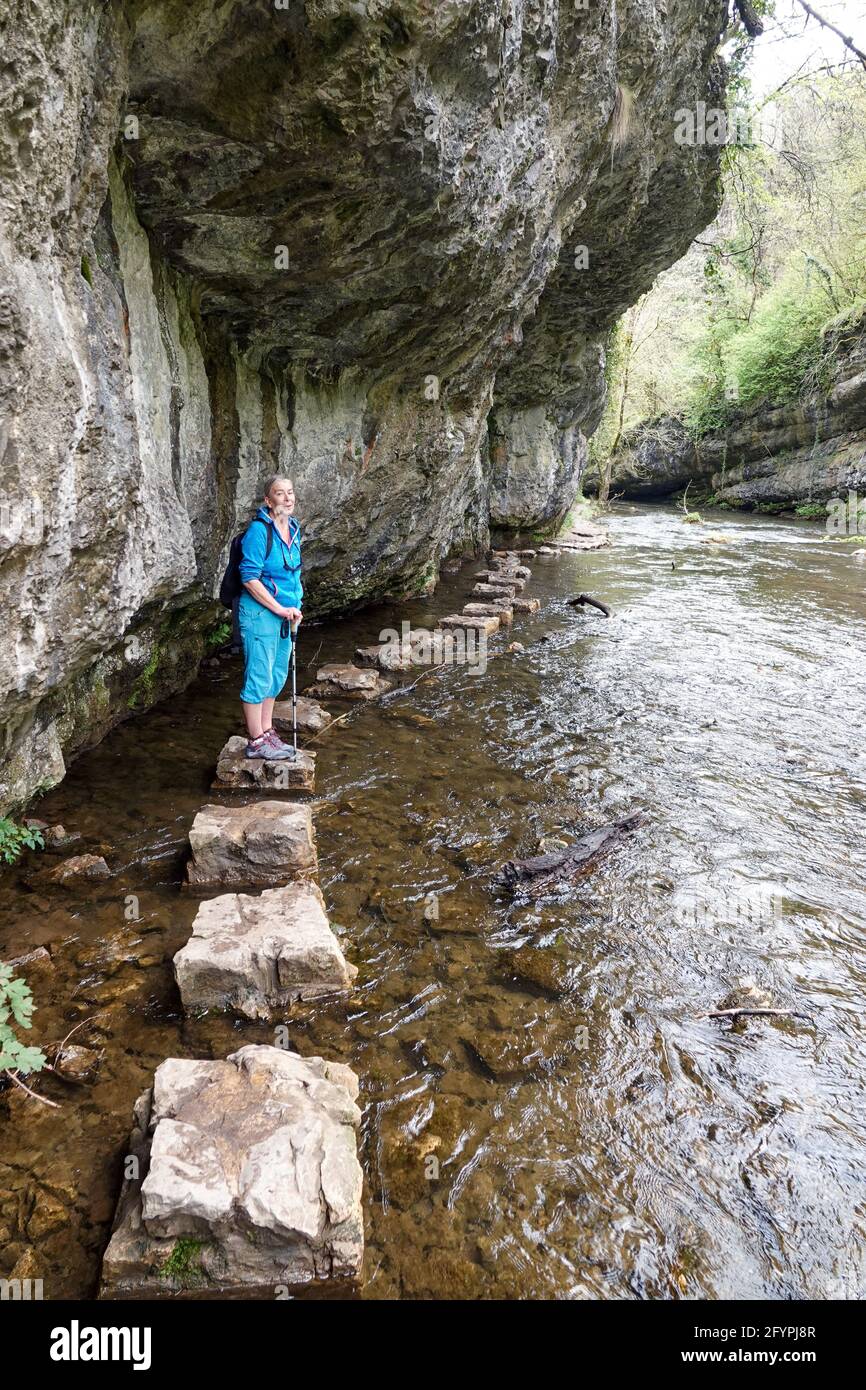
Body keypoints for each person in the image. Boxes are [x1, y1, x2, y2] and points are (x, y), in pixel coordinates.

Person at [238, 475, 303, 759]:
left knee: (276, 675)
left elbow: (293, 575)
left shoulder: (293, 528)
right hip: (259, 613)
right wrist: (278, 608)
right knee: (259, 675)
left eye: (290, 493)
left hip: (286, 614)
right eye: (280, 494)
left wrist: (295, 608)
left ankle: (267, 732)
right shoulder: (258, 532)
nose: (287, 498)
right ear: (268, 500)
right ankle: (256, 741)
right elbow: (249, 578)